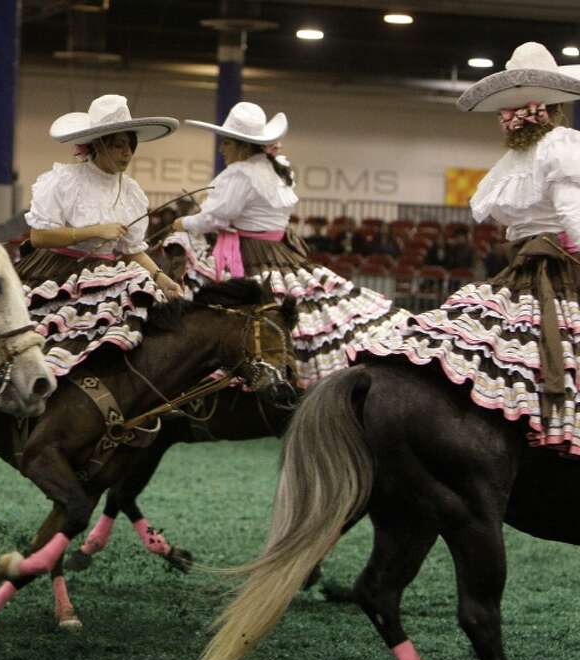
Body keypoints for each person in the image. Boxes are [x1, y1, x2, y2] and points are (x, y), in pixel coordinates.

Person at [362, 42, 580, 454]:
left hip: (521, 269)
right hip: (564, 269)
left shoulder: (515, 161)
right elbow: (574, 217)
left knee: (505, 345)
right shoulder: (562, 146)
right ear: (555, 107)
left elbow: (514, 227)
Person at [174, 101, 407, 387]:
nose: (222, 149)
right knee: (304, 311)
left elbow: (214, 218)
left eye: (226, 142)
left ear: (241, 146)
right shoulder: (279, 168)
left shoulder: (239, 174)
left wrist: (183, 223)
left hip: (250, 253)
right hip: (281, 252)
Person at [16, 94, 183, 378]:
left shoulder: (131, 192)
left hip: (107, 278)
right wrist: (93, 231)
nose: (127, 153)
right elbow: (39, 237)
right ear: (98, 144)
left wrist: (161, 278)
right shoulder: (64, 181)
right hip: (56, 274)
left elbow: (133, 250)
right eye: (118, 145)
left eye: (130, 145)